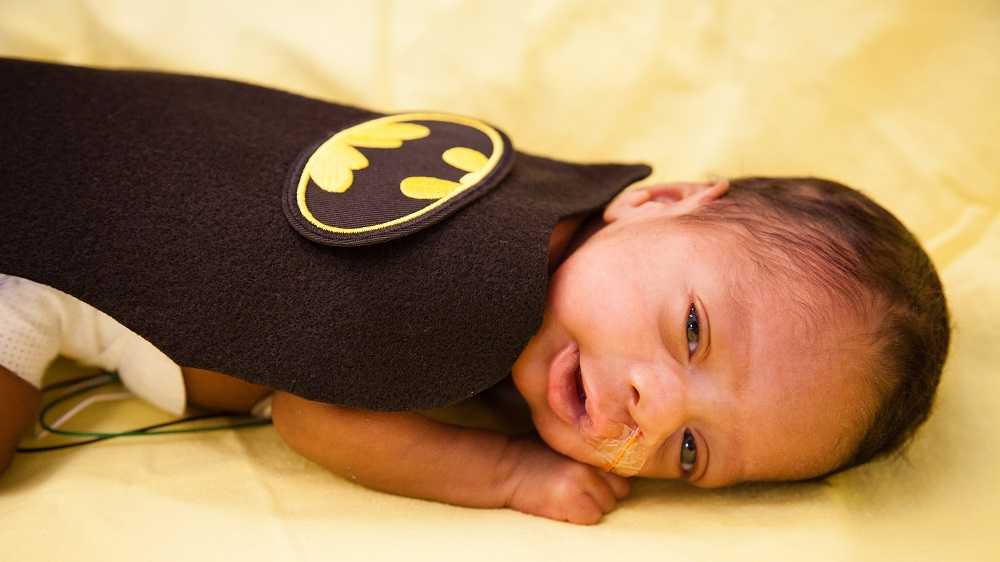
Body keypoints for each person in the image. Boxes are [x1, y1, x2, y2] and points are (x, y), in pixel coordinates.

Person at [0, 176, 950, 525]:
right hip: (57, 242)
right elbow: (309, 409)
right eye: (693, 332)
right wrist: (505, 476)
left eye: (691, 451)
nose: (650, 413)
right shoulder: (476, 275)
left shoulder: (555, 218)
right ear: (655, 202)